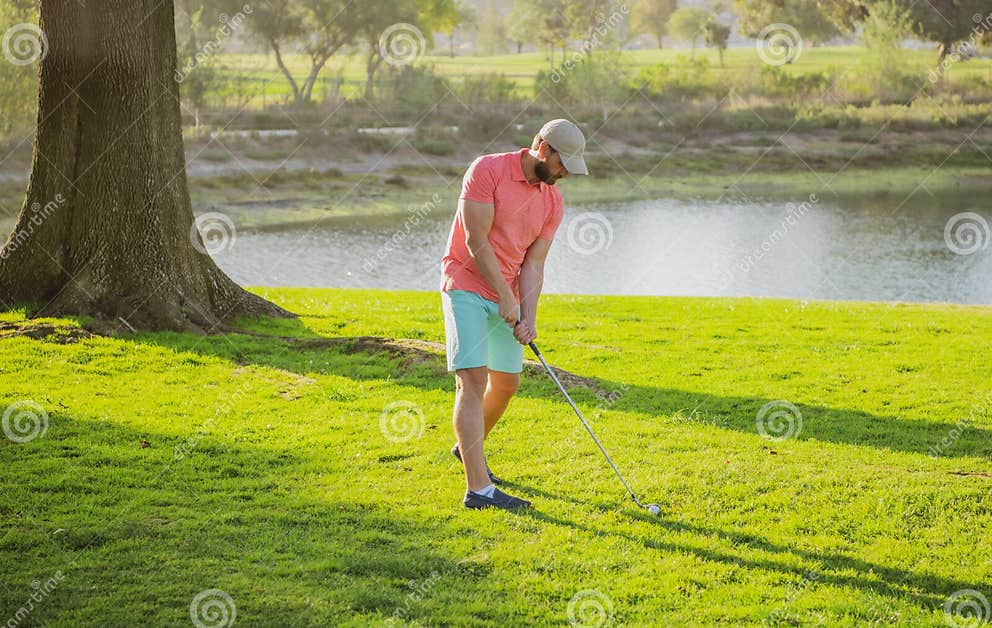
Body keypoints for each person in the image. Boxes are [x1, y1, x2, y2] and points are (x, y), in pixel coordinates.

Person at [439, 119, 589, 510]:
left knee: (505, 385)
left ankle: (466, 448)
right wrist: (505, 296)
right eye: (561, 164)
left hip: (506, 294)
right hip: (466, 284)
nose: (563, 174)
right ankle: (479, 490)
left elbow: (534, 264)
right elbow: (475, 240)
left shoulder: (552, 201)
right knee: (472, 381)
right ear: (543, 149)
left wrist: (528, 317)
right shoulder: (487, 170)